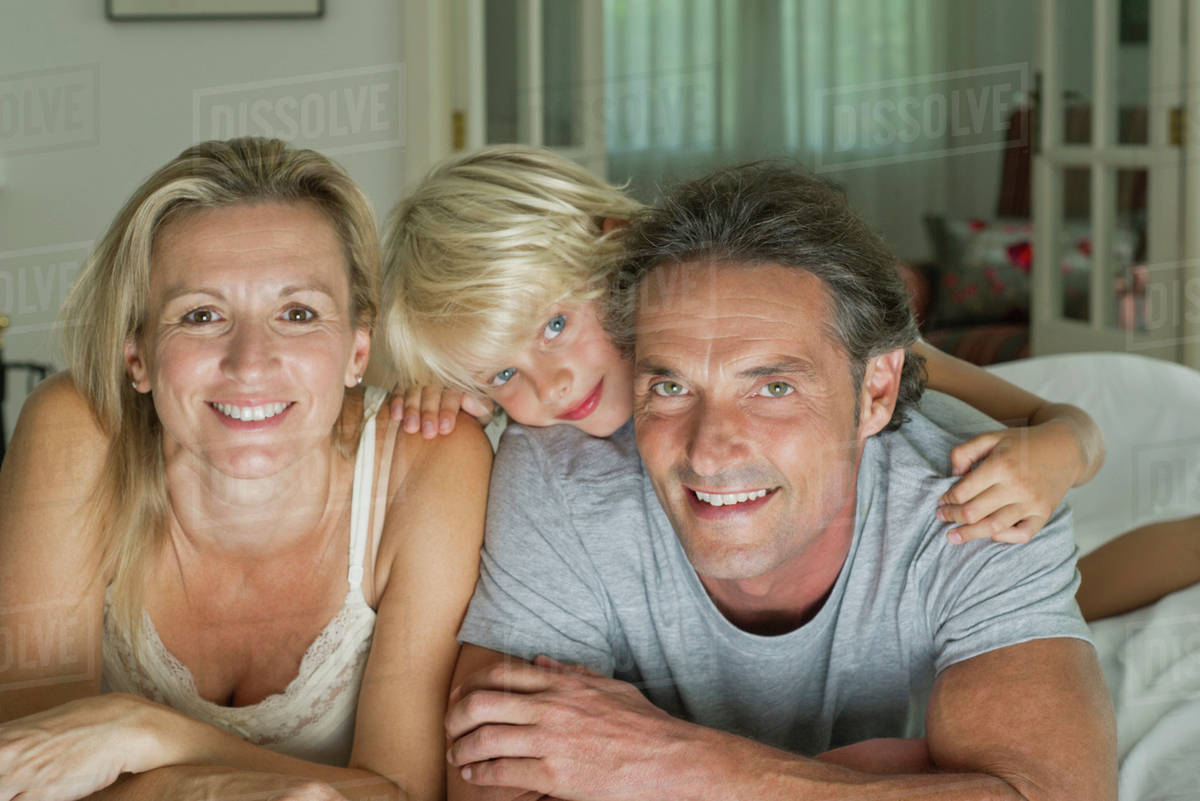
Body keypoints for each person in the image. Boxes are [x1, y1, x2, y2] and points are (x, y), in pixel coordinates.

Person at [442, 162, 1117, 800]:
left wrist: (673, 763)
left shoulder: (988, 493)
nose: (709, 451)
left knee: (1118, 575)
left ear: (875, 392)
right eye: (670, 385)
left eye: (772, 386)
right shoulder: (556, 471)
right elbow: (489, 775)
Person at [0, 138, 491, 801]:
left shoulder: (429, 459)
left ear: (357, 349)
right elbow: (27, 770)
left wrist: (142, 732)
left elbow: (405, 794)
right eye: (202, 315)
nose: (250, 362)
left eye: (297, 313)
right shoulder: (78, 429)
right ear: (137, 354)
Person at [383, 144, 1105, 546]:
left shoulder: (789, 335)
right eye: (506, 371)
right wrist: (446, 395)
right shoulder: (525, 438)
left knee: (1090, 577)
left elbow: (1055, 420)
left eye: (554, 326)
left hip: (935, 532)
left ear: (615, 245)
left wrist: (1058, 454)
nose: (552, 389)